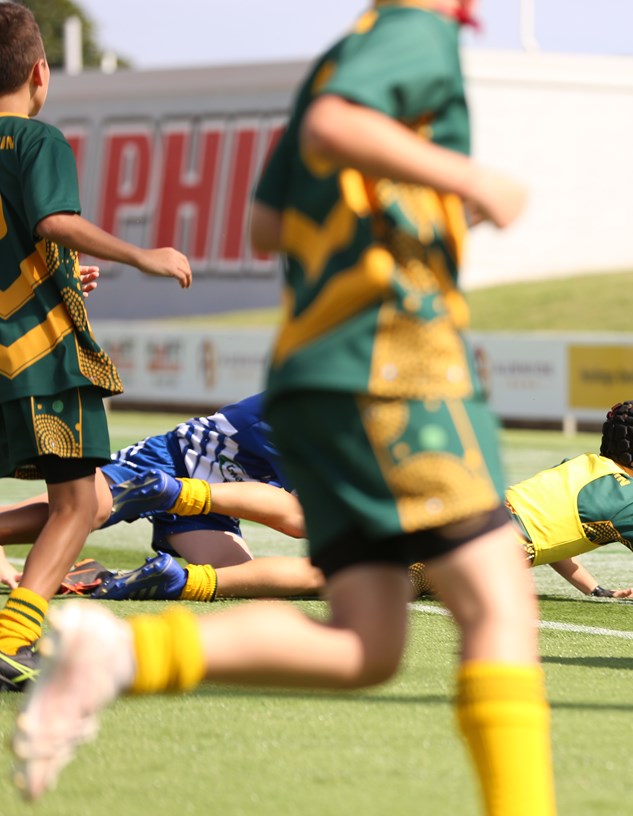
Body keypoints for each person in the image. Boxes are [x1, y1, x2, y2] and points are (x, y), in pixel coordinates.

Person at [12, 4, 557, 814]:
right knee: (499, 604)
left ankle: (120, 653)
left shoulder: (340, 57)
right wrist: (469, 181)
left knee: (365, 646)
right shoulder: (418, 29)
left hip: (312, 371)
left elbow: (269, 223)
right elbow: (340, 128)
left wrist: (414, 207)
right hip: (396, 368)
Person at [0, 4, 192, 693]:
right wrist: (143, 255)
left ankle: (16, 631)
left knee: (76, 503)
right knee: (80, 507)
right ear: (39, 72)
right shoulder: (36, 139)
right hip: (38, 356)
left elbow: (25, 241)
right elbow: (54, 218)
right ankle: (11, 635)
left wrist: (54, 269)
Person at [85, 400, 633, 605]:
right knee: (319, 570)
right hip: (463, 548)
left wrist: (592, 589)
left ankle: (179, 497)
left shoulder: (585, 471)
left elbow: (556, 532)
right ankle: (181, 575)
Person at [0, 392, 315, 597]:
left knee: (242, 579)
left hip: (210, 500)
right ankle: (173, 493)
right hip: (168, 460)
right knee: (84, 510)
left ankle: (143, 578)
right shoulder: (315, 412)